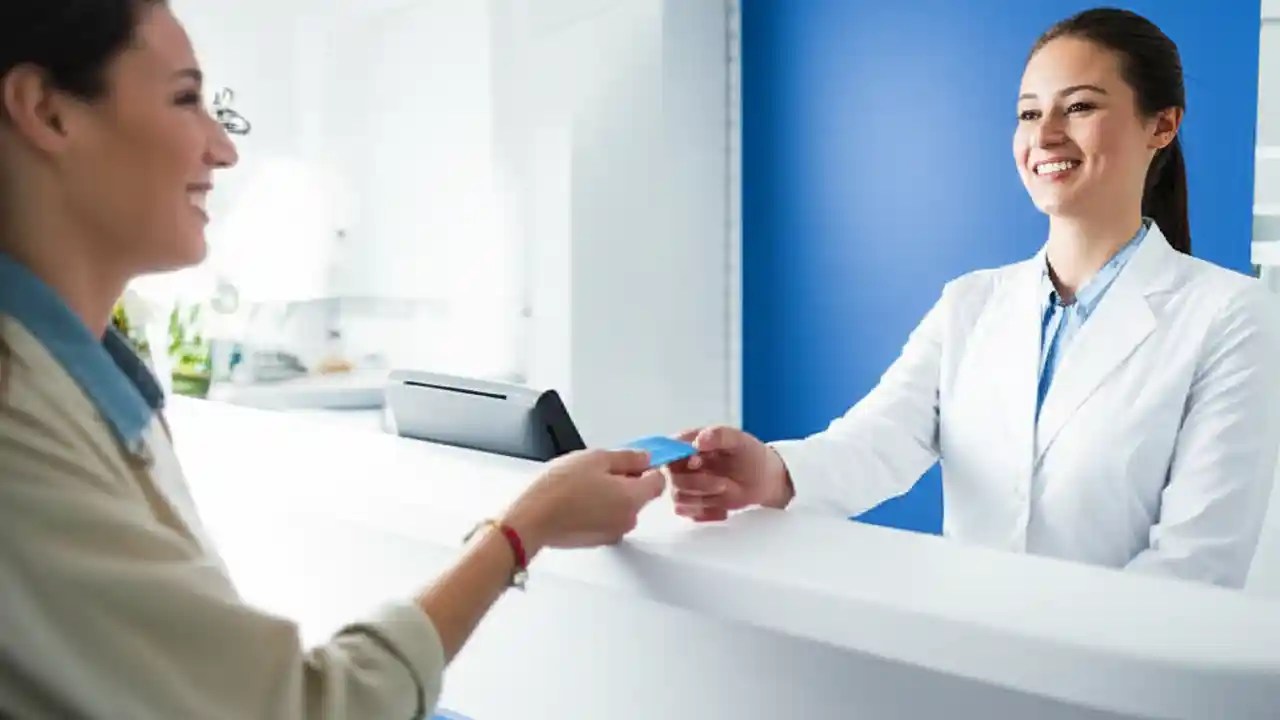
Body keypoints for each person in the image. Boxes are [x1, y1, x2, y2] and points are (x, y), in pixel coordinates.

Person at [0, 1, 664, 717]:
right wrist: (518, 531)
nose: (222, 149)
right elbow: (301, 708)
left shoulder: (80, 382)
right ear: (48, 111)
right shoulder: (21, 431)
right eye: (185, 98)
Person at [668, 8, 1280, 589]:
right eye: (1028, 113)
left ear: (1162, 125)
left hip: (1124, 689)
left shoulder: (1231, 317)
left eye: (1081, 106)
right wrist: (769, 472)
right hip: (975, 666)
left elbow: (1195, 565)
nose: (1047, 135)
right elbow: (875, 443)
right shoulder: (972, 303)